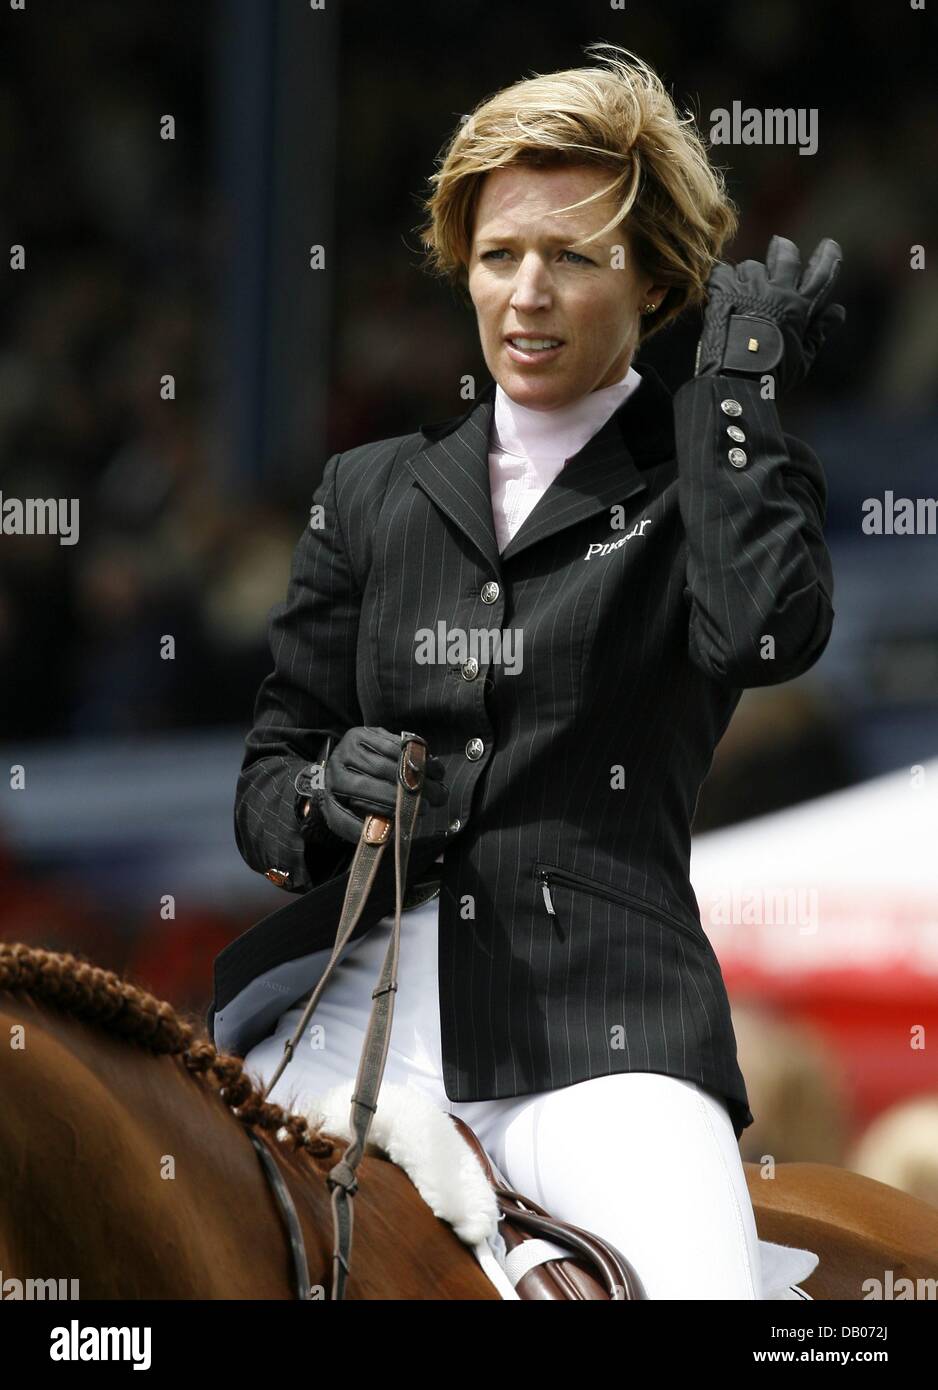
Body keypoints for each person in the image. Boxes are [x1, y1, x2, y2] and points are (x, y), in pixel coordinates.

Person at [209, 42, 844, 1299]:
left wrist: (733, 401)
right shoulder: (367, 489)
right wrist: (328, 788)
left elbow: (763, 637)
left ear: (653, 278)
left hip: (606, 1034)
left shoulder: (699, 477)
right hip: (355, 1021)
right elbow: (265, 793)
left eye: (573, 257)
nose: (527, 293)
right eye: (499, 256)